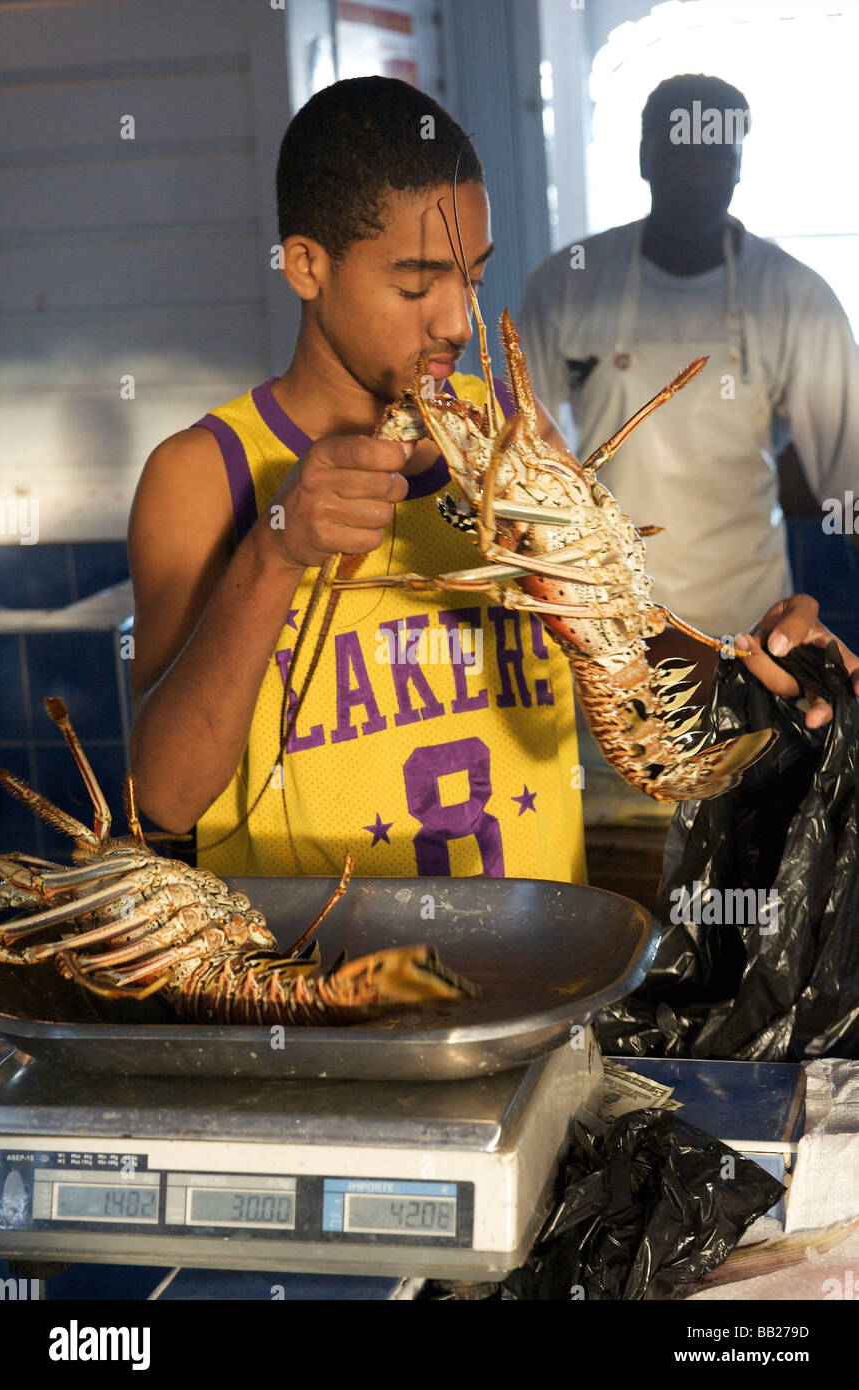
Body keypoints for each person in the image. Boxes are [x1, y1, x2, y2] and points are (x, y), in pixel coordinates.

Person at [127, 77, 859, 881]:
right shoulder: (205, 473)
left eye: (472, 277)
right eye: (415, 283)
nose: (452, 320)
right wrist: (273, 552)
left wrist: (767, 668)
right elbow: (162, 800)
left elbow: (618, 655)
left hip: (534, 970)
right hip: (315, 984)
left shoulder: (513, 435)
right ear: (306, 265)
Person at [518, 73, 859, 658]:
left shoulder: (795, 295)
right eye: (681, 155)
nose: (700, 178)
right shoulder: (569, 283)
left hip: (752, 630)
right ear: (646, 157)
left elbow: (851, 479)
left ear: (740, 165)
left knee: (753, 747)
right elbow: (522, 462)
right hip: (601, 623)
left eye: (719, 157)